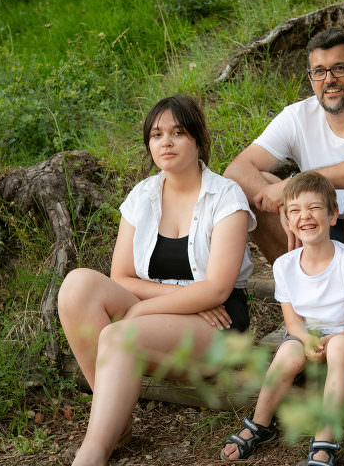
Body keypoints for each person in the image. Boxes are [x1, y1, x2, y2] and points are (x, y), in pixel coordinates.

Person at [57, 95, 255, 466]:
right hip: (163, 314)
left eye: (177, 132)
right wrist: (167, 301)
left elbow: (217, 290)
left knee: (120, 335)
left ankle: (92, 453)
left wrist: (143, 309)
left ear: (198, 140)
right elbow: (121, 276)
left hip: (218, 323)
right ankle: (117, 424)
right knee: (76, 285)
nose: (165, 142)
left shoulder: (226, 197)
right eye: (156, 134)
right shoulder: (143, 196)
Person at [220, 171, 344, 466]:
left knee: (341, 347)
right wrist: (306, 341)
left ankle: (325, 438)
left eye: (314, 208)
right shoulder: (285, 266)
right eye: (295, 211)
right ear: (289, 222)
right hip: (305, 341)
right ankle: (260, 424)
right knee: (288, 351)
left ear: (333, 215)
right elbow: (293, 324)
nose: (304, 215)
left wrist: (330, 341)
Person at [224, 27, 344, 269]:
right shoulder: (297, 116)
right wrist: (282, 204)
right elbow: (236, 170)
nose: (329, 79)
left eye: (340, 68)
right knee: (256, 185)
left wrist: (299, 183)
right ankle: (301, 288)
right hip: (314, 228)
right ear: (311, 80)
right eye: (319, 72)